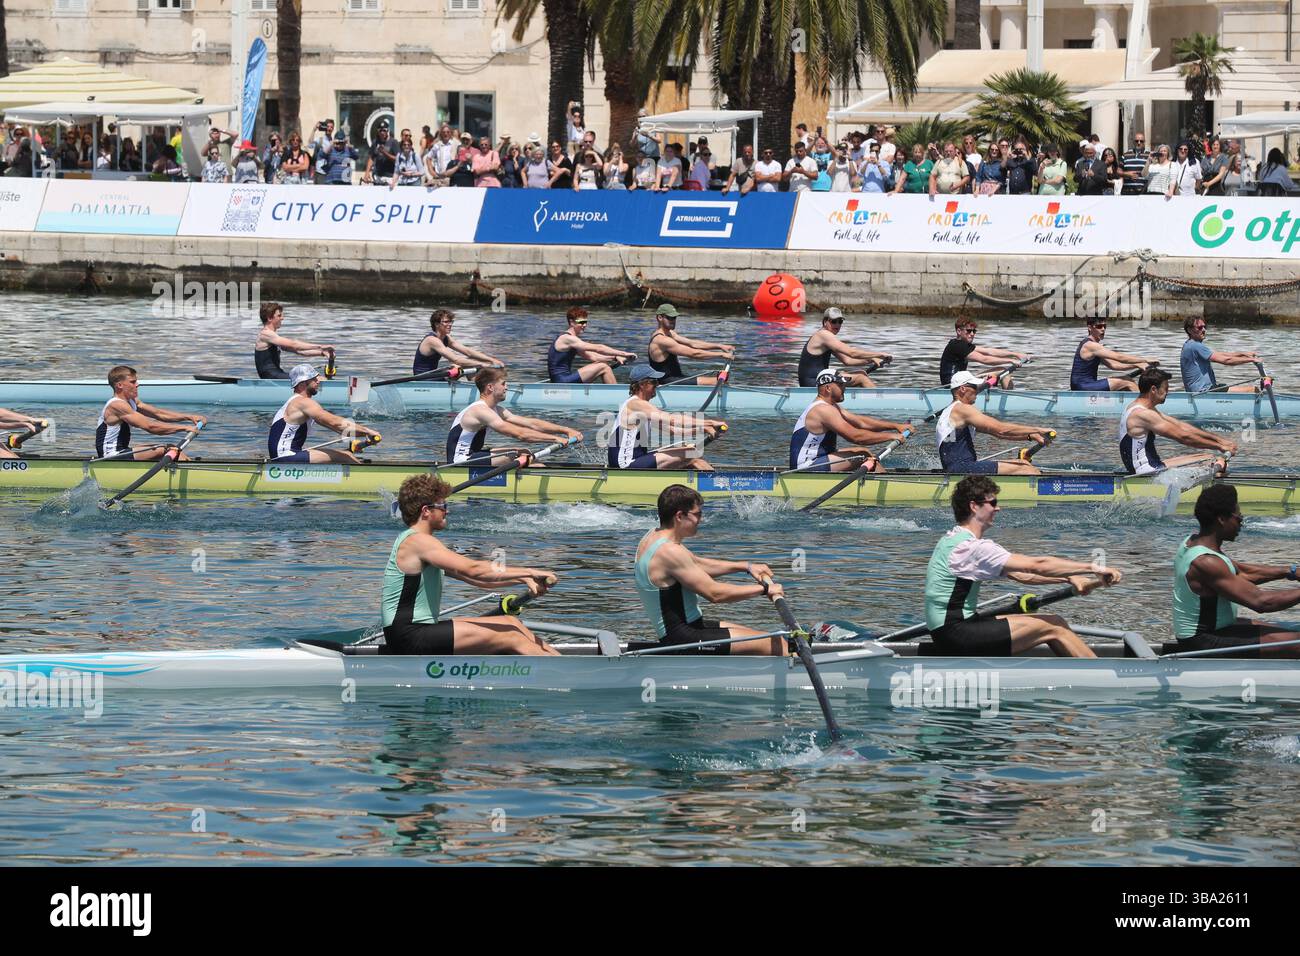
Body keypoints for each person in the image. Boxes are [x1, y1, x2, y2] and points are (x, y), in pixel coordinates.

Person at [923, 475, 1121, 658]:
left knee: (1048, 622)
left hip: (950, 631)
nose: (997, 508)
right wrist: (1094, 568)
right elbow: (1037, 565)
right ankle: (1103, 675)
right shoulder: (972, 548)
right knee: (1055, 625)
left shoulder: (952, 539)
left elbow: (1022, 575)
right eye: (993, 503)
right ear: (974, 506)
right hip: (956, 634)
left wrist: (1068, 578)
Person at [381, 474, 559, 656]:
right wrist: (529, 571)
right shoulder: (418, 542)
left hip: (416, 632)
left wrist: (524, 579)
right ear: (426, 511)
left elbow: (483, 582)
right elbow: (474, 570)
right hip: (409, 636)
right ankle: (567, 674)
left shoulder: (425, 544)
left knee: (511, 623)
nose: (447, 511)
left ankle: (561, 662)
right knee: (511, 636)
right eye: (444, 507)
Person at [633, 484, 788, 656]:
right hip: (682, 639)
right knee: (776, 643)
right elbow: (715, 594)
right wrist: (765, 589)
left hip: (690, 628)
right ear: (679, 516)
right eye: (697, 514)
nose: (701, 519)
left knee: (764, 635)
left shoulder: (652, 536)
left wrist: (746, 566)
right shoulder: (669, 552)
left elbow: (696, 564)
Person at [1170, 483, 1300, 658]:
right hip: (1202, 641)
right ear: (1222, 519)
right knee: (1295, 642)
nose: (1241, 524)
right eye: (1239, 518)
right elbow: (1261, 602)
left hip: (1216, 628)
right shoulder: (1206, 562)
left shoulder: (1193, 542)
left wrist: (1290, 571)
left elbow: (1243, 574)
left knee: (1285, 630)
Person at [445, 367, 582, 466]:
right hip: (459, 461)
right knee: (518, 455)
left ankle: (540, 476)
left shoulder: (495, 409)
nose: (507, 387)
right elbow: (520, 434)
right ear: (490, 387)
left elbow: (531, 423)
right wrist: (555, 439)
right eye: (503, 384)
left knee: (524, 452)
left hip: (473, 454)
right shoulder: (480, 411)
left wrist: (565, 430)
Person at [1118, 368, 1235, 476]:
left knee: (1208, 457)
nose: (1167, 392)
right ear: (1153, 389)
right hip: (1147, 473)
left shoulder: (1138, 407)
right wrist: (1219, 446)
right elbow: (1183, 437)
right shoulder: (1142, 414)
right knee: (1214, 463)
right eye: (1166, 389)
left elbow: (1180, 425)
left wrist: (1220, 440)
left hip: (1151, 466)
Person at [608, 365, 725, 471]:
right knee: (691, 454)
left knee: (692, 455)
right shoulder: (635, 404)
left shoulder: (642, 407)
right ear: (642, 384)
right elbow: (673, 419)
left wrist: (704, 429)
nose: (658, 385)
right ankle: (717, 485)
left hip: (636, 458)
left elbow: (673, 430)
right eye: (654, 381)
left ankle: (712, 481)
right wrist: (710, 422)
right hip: (625, 464)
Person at [790, 370, 908, 472]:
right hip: (805, 467)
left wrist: (896, 426)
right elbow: (856, 437)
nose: (844, 388)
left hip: (819, 459)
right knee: (863, 456)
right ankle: (886, 487)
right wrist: (891, 436)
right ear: (828, 388)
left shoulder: (831, 406)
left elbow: (861, 422)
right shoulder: (822, 410)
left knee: (862, 451)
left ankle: (876, 481)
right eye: (840, 385)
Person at [938, 372, 1050, 476]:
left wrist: (1030, 436)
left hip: (959, 466)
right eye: (974, 387)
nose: (977, 390)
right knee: (1027, 470)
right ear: (963, 389)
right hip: (961, 468)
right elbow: (1001, 429)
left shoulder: (952, 410)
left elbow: (999, 434)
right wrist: (1037, 430)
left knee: (1023, 463)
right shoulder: (962, 409)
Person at [268, 365, 380, 463]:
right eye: (313, 379)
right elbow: (335, 424)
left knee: (345, 454)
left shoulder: (296, 401)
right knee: (346, 457)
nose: (318, 381)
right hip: (285, 456)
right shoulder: (302, 402)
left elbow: (338, 429)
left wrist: (363, 435)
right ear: (302, 383)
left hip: (286, 454)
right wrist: (367, 431)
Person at [96, 365, 206, 462]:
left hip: (122, 451)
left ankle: (189, 467)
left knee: (172, 448)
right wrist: (184, 428)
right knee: (165, 449)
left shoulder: (132, 401)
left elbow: (159, 414)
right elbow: (150, 426)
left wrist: (189, 417)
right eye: (133, 382)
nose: (137, 384)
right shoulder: (117, 405)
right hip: (110, 456)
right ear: (119, 385)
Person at [797, 307, 892, 388]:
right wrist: (880, 354)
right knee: (861, 378)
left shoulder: (826, 338)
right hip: (813, 384)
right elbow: (852, 353)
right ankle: (880, 401)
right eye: (834, 321)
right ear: (825, 322)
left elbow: (847, 360)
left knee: (861, 373)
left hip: (819, 380)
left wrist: (871, 359)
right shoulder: (824, 335)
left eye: (840, 321)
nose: (837, 325)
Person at [646, 303, 734, 386]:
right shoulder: (662, 340)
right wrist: (721, 354)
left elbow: (693, 344)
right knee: (716, 381)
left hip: (676, 377)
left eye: (674, 317)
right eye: (669, 317)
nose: (673, 320)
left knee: (720, 379)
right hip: (666, 382)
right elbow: (693, 354)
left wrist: (720, 346)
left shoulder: (670, 334)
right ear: (660, 318)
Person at [547, 307, 635, 384]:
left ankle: (613, 394)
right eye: (581, 322)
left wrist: (615, 357)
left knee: (603, 365)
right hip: (561, 381)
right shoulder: (567, 338)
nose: (584, 325)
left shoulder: (574, 342)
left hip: (564, 379)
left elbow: (593, 357)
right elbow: (598, 348)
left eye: (585, 322)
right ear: (572, 322)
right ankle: (617, 397)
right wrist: (623, 354)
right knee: (603, 366)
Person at [1069, 317, 1156, 392]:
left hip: (1085, 385)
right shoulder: (1090, 345)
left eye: (1104, 326)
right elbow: (1119, 357)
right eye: (1099, 326)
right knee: (1127, 381)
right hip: (1082, 387)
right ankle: (1144, 406)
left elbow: (1114, 365)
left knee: (1122, 382)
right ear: (1090, 328)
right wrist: (1145, 360)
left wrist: (1137, 365)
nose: (1103, 329)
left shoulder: (1095, 347)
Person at [1179, 318, 1262, 394]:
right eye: (1200, 328)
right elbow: (1226, 360)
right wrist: (1251, 360)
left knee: (1225, 386)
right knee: (1253, 390)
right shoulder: (1195, 346)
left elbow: (1221, 354)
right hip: (1203, 392)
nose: (1204, 330)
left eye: (1204, 327)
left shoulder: (1189, 344)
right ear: (1189, 330)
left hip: (1202, 391)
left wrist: (1243, 354)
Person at [255, 302, 335, 380]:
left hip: (276, 374)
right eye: (279, 316)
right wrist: (320, 347)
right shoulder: (265, 334)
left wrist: (322, 353)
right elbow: (294, 344)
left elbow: (299, 351)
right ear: (269, 318)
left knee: (314, 377)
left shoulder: (274, 338)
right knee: (316, 379)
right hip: (270, 376)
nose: (282, 318)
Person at [938, 319, 1029, 388]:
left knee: (1001, 371)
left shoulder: (963, 345)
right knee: (1002, 371)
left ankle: (1006, 395)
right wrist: (1010, 360)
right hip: (952, 386)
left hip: (961, 382)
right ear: (959, 331)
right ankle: (1010, 399)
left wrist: (1016, 354)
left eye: (974, 331)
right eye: (969, 331)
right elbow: (984, 359)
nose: (972, 334)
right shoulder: (958, 346)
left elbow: (989, 351)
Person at [413, 309, 503, 376]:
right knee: (459, 365)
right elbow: (456, 359)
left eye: (451, 321)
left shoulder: (446, 338)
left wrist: (492, 360)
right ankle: (480, 393)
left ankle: (478, 389)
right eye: (446, 322)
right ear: (436, 324)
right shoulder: (432, 340)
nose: (450, 324)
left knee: (467, 366)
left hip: (434, 376)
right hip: (423, 378)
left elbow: (468, 352)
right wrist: (484, 364)